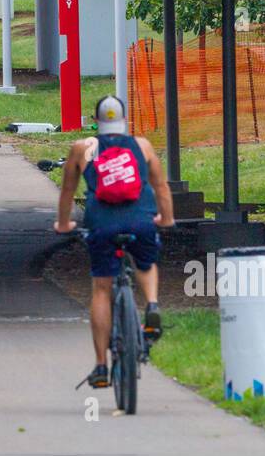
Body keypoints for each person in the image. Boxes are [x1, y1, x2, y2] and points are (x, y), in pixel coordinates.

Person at [53, 95, 175, 389]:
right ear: (124, 120)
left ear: (96, 121)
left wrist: (64, 223)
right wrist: (166, 218)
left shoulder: (83, 148)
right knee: (145, 263)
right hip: (141, 220)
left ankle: (100, 366)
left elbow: (67, 191)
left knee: (101, 288)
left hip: (102, 224)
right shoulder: (142, 146)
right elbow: (160, 185)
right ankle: (154, 306)